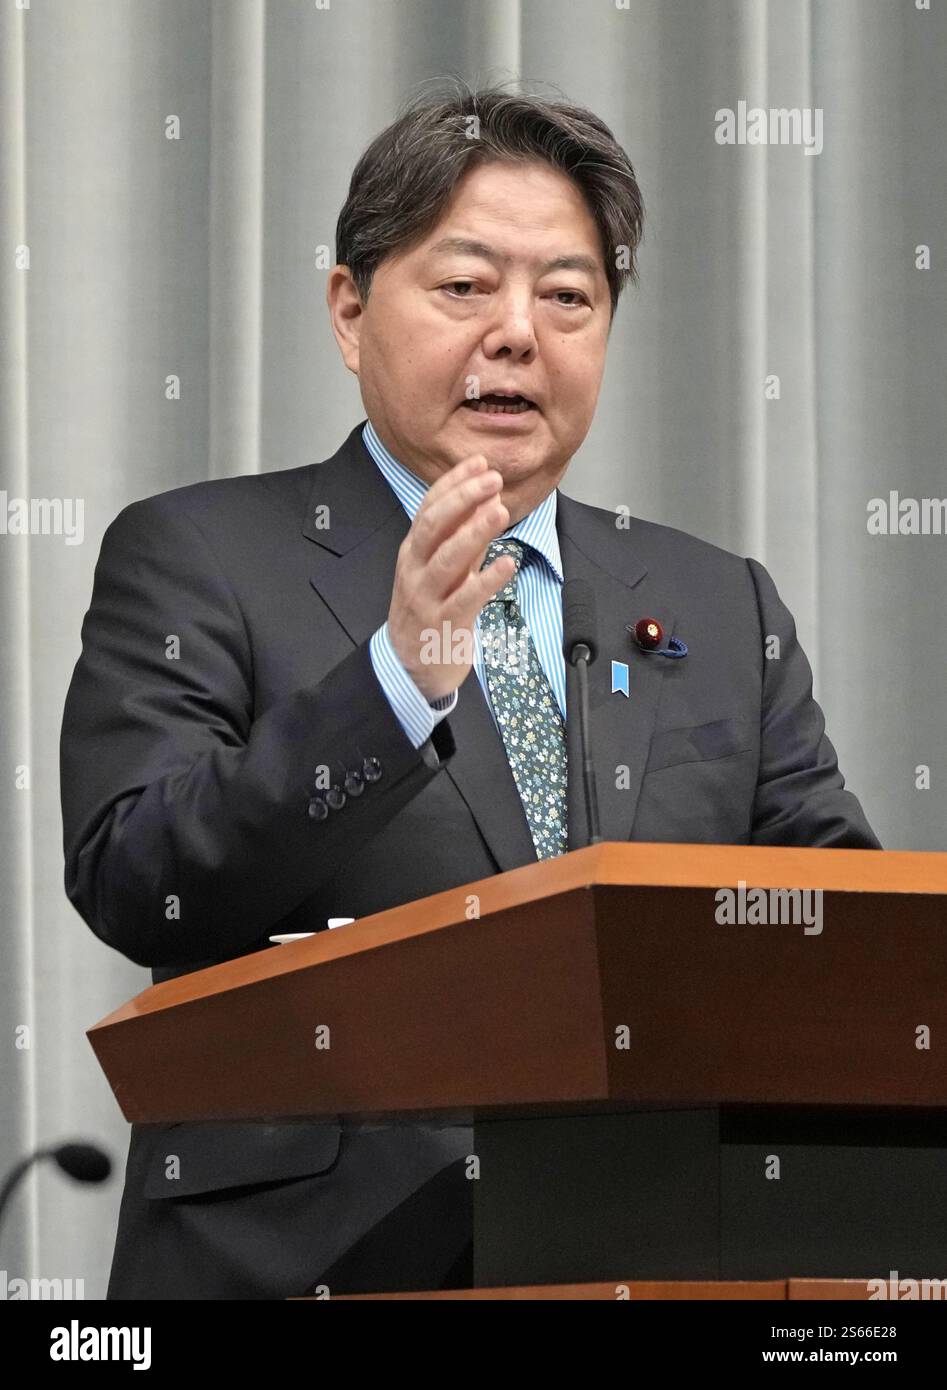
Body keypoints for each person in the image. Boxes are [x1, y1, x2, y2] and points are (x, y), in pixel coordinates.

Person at [59, 81, 879, 1300]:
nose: (517, 334)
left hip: (657, 1259)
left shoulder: (719, 604)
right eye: (464, 286)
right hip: (309, 1265)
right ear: (348, 309)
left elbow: (843, 937)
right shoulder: (198, 556)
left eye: (566, 297)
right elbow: (140, 880)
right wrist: (393, 683)